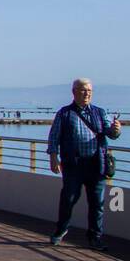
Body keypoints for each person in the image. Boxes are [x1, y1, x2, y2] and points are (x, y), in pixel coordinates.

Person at [47, 78, 121, 251]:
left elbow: (111, 133)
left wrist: (116, 130)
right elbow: (54, 136)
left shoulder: (100, 112)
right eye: (83, 90)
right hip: (74, 164)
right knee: (69, 198)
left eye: (89, 90)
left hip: (97, 164)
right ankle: (61, 230)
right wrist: (53, 156)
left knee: (97, 203)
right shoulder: (64, 113)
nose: (86, 93)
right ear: (74, 92)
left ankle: (95, 237)